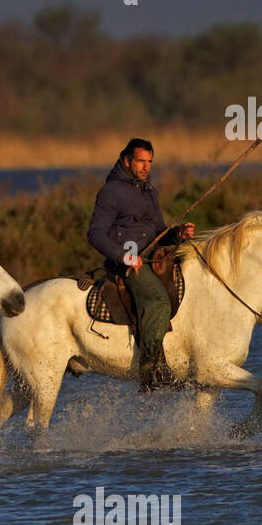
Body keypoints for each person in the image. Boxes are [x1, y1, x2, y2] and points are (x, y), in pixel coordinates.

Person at [86, 138, 195, 391]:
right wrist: (123, 256)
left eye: (150, 162)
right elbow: (95, 233)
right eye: (141, 162)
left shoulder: (149, 191)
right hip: (127, 264)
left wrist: (177, 234)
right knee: (157, 299)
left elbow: (159, 231)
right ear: (127, 161)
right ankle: (150, 372)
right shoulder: (111, 192)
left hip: (151, 259)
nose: (146, 167)